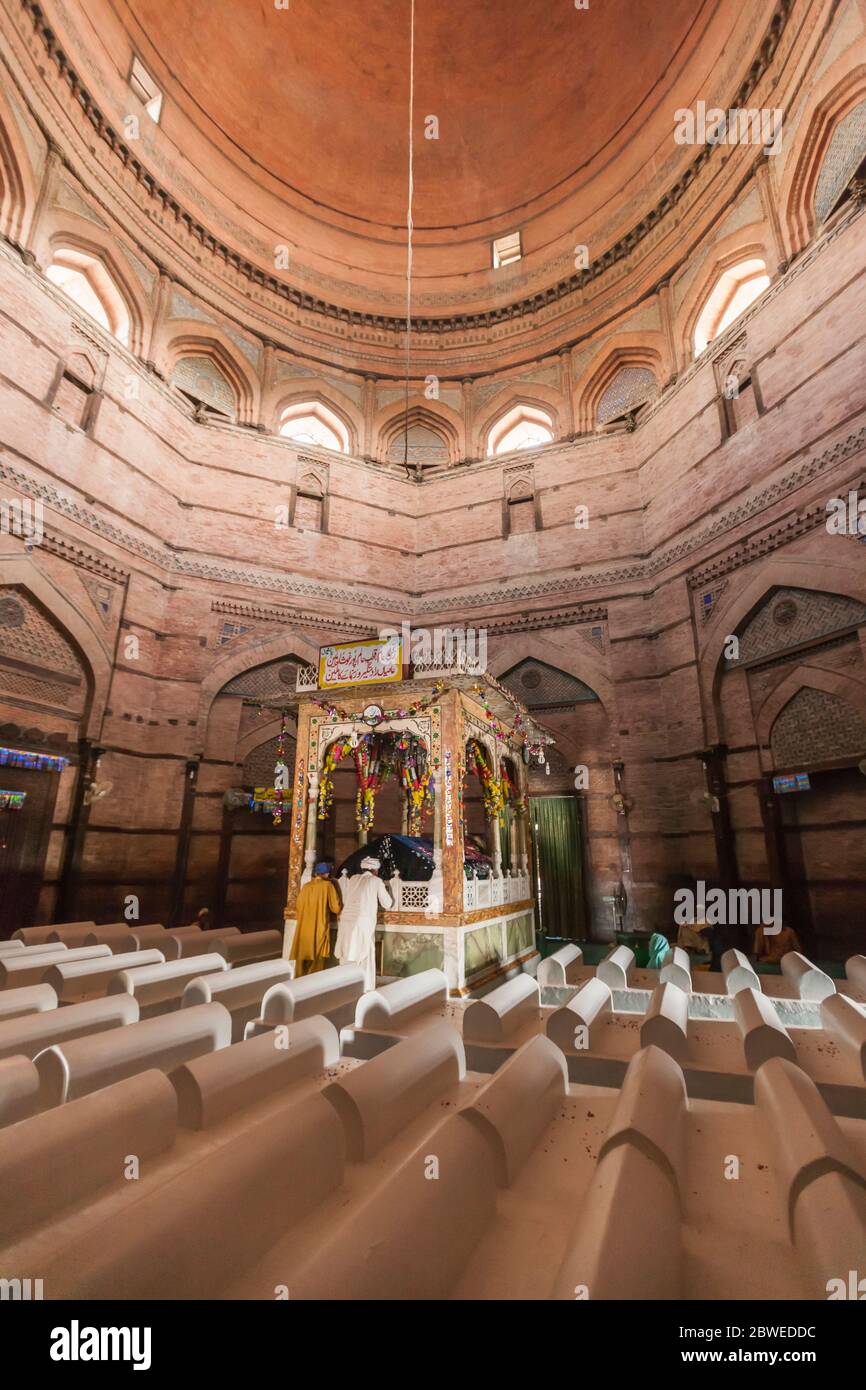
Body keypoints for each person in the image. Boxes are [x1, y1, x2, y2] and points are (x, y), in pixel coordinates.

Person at [335, 856, 392, 990]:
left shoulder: (353, 878)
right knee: (364, 954)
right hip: (362, 923)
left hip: (346, 920)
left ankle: (344, 986)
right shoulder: (376, 881)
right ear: (375, 870)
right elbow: (388, 903)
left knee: (347, 952)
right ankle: (366, 988)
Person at [289, 863, 341, 977]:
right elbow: (336, 908)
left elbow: (298, 905)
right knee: (317, 958)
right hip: (319, 926)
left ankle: (297, 983)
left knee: (301, 957)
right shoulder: (328, 886)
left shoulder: (306, 886)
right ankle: (313, 986)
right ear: (327, 873)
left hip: (303, 928)